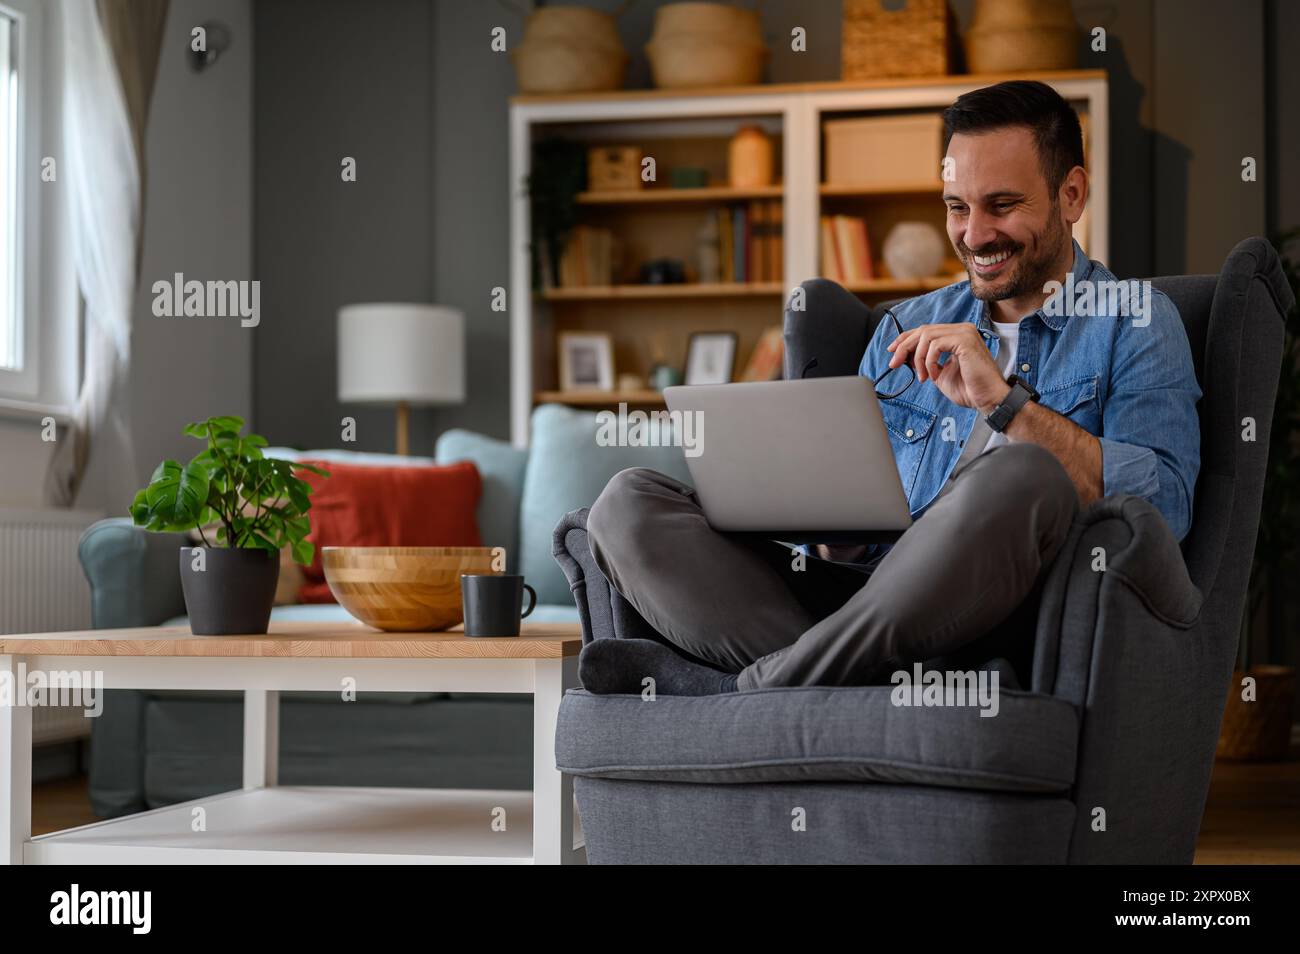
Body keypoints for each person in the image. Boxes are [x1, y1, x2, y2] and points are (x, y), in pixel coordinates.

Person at [579, 80, 1201, 696]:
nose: (975, 234)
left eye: (1003, 205)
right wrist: (819, 521)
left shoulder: (1136, 320)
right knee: (626, 504)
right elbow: (836, 526)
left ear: (1071, 194)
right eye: (958, 207)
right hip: (857, 597)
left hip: (984, 615)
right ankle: (842, 687)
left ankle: (754, 689)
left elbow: (1165, 509)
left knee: (1022, 476)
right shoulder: (905, 325)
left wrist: (1005, 406)